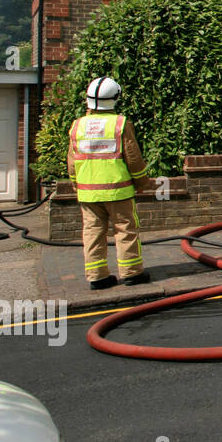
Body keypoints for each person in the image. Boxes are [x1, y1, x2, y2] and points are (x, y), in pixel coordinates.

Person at [68, 77, 150, 290]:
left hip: (88, 194)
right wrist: (142, 181)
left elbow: (71, 159)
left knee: (93, 232)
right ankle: (132, 273)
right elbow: (133, 157)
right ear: (115, 98)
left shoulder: (77, 126)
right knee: (125, 230)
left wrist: (75, 183)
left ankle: (97, 276)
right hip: (118, 191)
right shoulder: (120, 124)